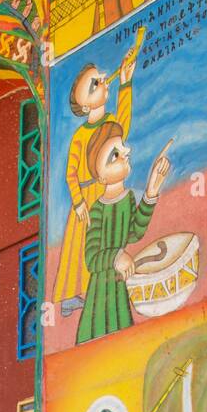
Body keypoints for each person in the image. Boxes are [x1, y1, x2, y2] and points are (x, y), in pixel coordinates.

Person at [54, 54, 136, 318]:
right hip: (86, 196)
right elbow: (71, 173)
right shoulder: (79, 136)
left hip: (106, 190)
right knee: (80, 247)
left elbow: (123, 126)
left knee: (106, 240)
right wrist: (77, 201)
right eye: (94, 84)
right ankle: (72, 295)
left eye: (100, 79)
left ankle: (103, 285)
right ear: (85, 106)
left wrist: (125, 83)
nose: (102, 82)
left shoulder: (111, 121)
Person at [76, 121, 171, 344]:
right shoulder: (97, 209)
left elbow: (134, 233)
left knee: (122, 336)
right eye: (114, 155)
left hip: (119, 283)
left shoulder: (128, 198)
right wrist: (117, 257)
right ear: (101, 176)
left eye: (122, 150)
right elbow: (91, 258)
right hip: (101, 287)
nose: (125, 154)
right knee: (99, 337)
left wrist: (151, 193)